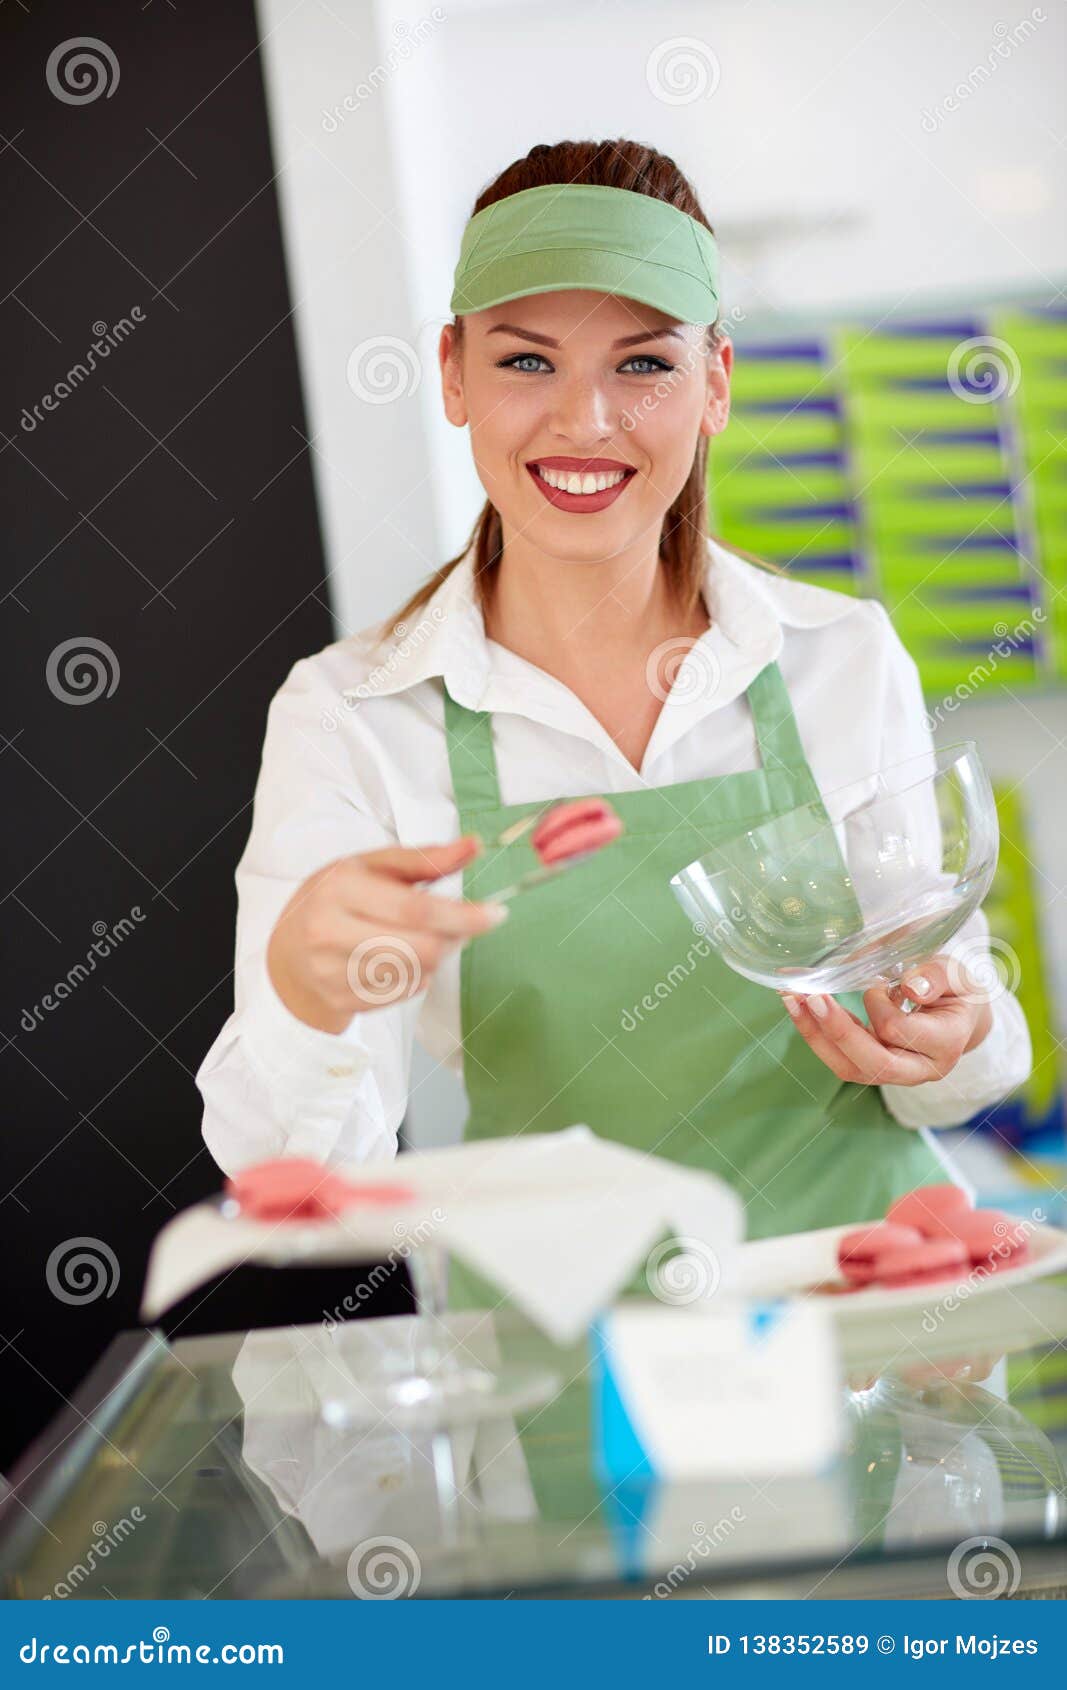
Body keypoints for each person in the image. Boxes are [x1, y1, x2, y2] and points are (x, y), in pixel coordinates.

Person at [196, 138, 1031, 1241]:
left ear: (715, 383)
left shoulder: (839, 655)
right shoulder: (354, 717)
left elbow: (952, 1026)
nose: (583, 421)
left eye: (641, 364)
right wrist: (308, 989)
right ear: (451, 372)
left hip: (868, 1309)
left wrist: (954, 1038)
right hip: (559, 1359)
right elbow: (291, 1176)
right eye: (525, 362)